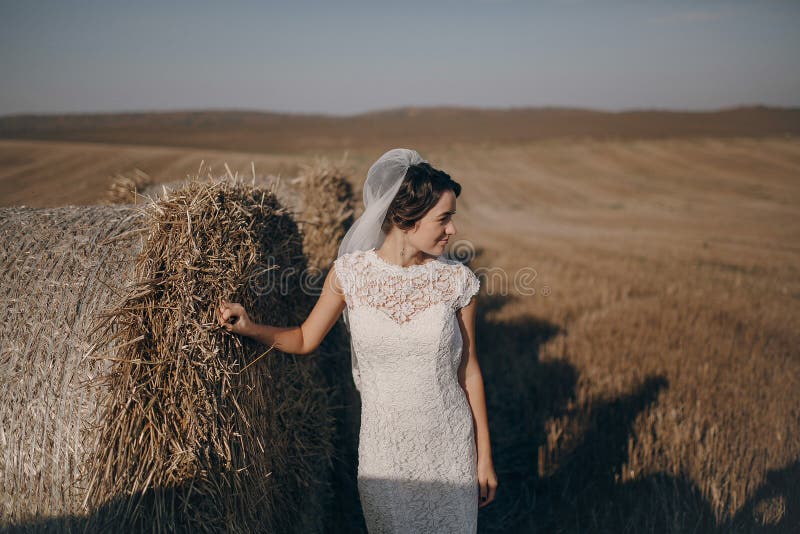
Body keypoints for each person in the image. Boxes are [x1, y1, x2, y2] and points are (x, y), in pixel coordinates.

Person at [217, 148, 497, 533]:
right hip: (385, 457)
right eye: (444, 219)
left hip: (450, 451)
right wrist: (250, 327)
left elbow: (470, 373)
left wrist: (484, 458)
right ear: (406, 219)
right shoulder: (349, 275)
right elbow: (303, 338)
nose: (453, 230)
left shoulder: (457, 281)